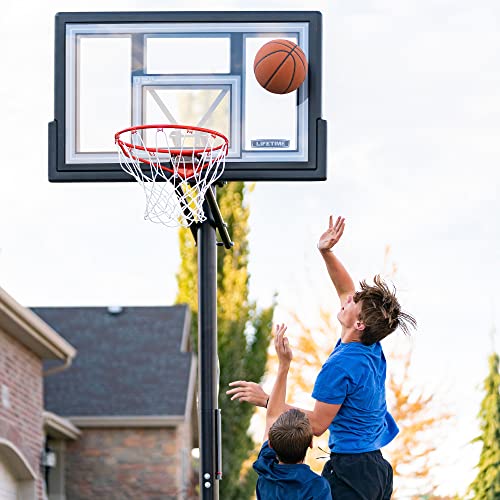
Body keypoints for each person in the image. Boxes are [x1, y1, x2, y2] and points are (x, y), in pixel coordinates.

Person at [227, 215, 416, 499]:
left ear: (359, 324)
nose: (348, 299)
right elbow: (345, 288)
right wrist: (325, 251)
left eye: (354, 303)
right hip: (376, 466)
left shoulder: (340, 366)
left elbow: (316, 425)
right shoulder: (369, 345)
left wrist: (268, 400)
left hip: (352, 472)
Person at [253, 323, 331, 499]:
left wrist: (284, 365)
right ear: (311, 443)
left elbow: (273, 414)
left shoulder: (265, 471)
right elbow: (274, 415)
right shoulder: (318, 487)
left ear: (271, 445)